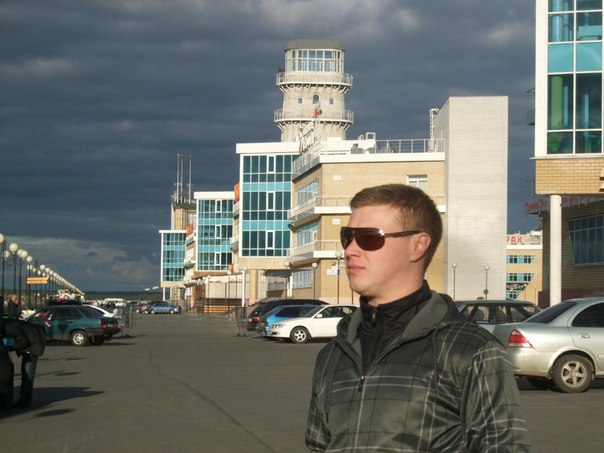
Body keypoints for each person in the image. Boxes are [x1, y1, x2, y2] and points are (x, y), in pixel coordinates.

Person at [305, 184, 531, 452]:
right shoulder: (333, 354)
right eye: (347, 237)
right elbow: (318, 445)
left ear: (418, 246)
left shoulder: (471, 351)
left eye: (369, 237)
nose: (350, 250)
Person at [1, 318, 46, 408]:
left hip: (33, 344)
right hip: (32, 341)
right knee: (26, 372)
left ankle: (25, 401)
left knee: (28, 374)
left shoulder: (9, 327)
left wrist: (9, 348)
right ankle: (25, 399)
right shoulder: (5, 324)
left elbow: (25, 341)